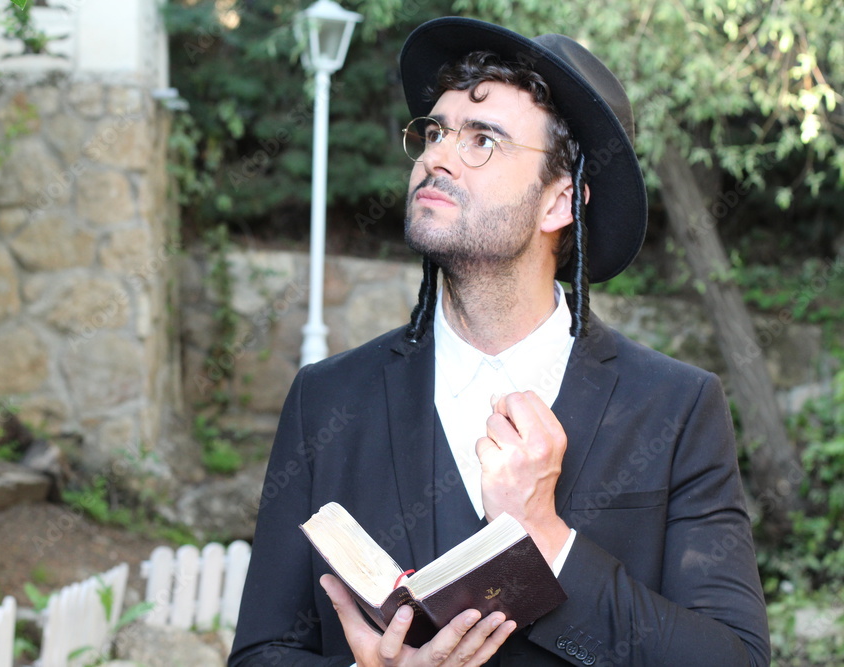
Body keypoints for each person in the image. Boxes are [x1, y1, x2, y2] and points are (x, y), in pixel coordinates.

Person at [228, 16, 770, 667]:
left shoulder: (676, 408)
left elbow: (731, 657)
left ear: (560, 202)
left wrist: (545, 535)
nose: (437, 156)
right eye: (435, 131)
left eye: (483, 138)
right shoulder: (327, 399)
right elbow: (261, 652)